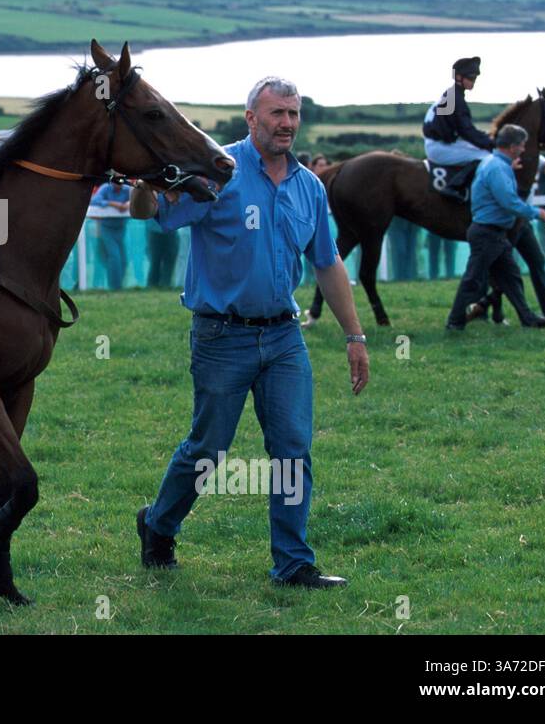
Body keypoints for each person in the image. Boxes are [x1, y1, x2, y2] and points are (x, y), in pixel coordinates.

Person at [130, 75, 368, 589]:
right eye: (277, 113)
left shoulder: (310, 186)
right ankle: (158, 524)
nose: (287, 123)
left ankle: (293, 563)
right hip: (222, 336)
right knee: (208, 449)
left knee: (292, 448)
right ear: (252, 119)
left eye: (294, 113)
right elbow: (159, 217)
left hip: (284, 338)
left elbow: (327, 264)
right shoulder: (220, 170)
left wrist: (354, 336)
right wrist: (142, 191)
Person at [445, 125, 545, 331]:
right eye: (522, 145)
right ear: (513, 147)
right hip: (489, 233)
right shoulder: (497, 168)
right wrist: (537, 213)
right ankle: (455, 321)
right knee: (474, 280)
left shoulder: (494, 163)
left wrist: (509, 170)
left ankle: (529, 319)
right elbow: (509, 202)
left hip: (493, 233)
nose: (523, 149)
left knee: (512, 278)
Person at [422, 56, 493, 167]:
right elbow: (466, 131)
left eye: (474, 79)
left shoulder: (452, 94)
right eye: (470, 78)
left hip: (440, 144)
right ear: (458, 77)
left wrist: (485, 138)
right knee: (487, 157)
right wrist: (491, 143)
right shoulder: (455, 98)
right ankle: (461, 185)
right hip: (440, 147)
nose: (473, 82)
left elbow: (465, 129)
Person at [91, 181, 131, 290]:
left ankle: (118, 285)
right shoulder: (105, 187)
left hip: (121, 228)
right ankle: (115, 287)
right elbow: (95, 200)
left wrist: (128, 203)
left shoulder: (127, 189)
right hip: (106, 228)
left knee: (123, 260)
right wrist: (114, 204)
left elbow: (137, 199)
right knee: (114, 257)